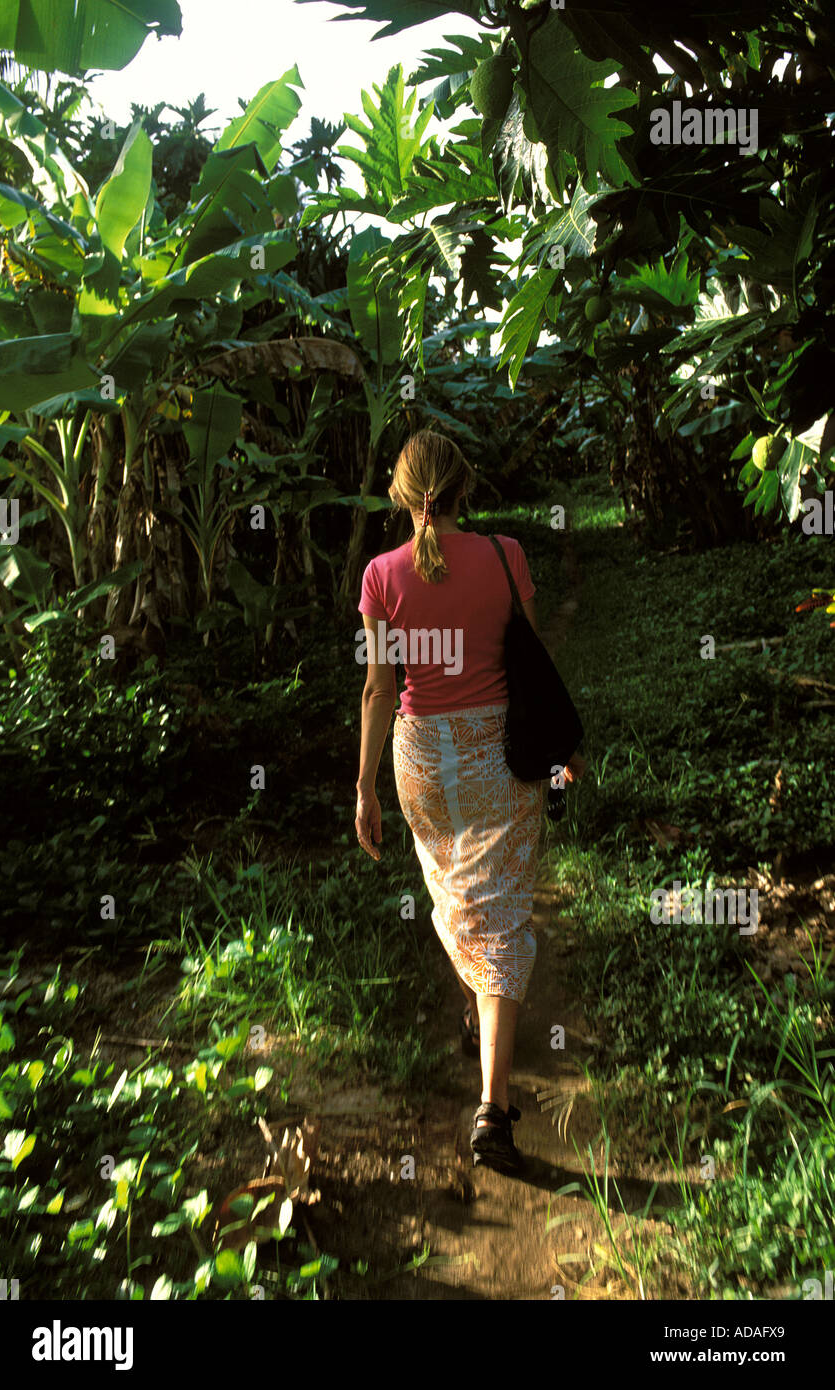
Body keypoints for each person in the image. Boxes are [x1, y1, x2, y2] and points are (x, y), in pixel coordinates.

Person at [354, 430, 586, 1175]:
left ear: (402, 495)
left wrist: (363, 788)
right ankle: (492, 1106)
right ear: (463, 488)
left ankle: (474, 1007)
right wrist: (563, 744)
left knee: (457, 895)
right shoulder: (504, 556)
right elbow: (531, 656)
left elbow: (379, 690)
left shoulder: (379, 576)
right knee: (501, 908)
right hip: (497, 752)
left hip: (419, 758)